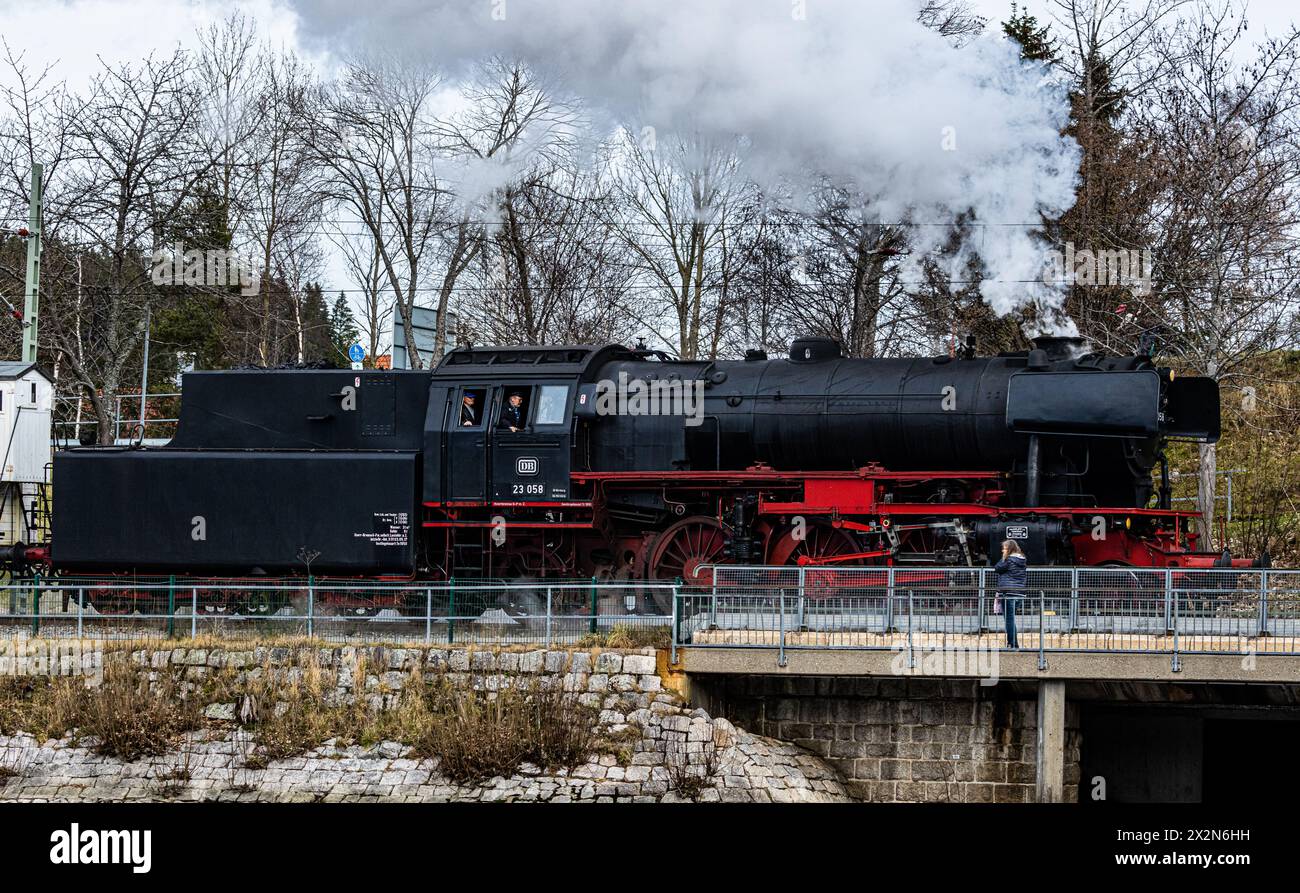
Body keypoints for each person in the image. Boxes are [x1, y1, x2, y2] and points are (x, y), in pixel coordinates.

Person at [994, 539, 1027, 649]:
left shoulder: (1008, 560)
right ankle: (1014, 643)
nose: (1002, 550)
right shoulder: (1022, 559)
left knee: (1009, 620)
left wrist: (1003, 557)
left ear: (1009, 549)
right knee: (1011, 619)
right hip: (1019, 593)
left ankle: (1012, 644)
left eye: (1004, 548)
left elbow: (997, 568)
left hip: (1008, 593)